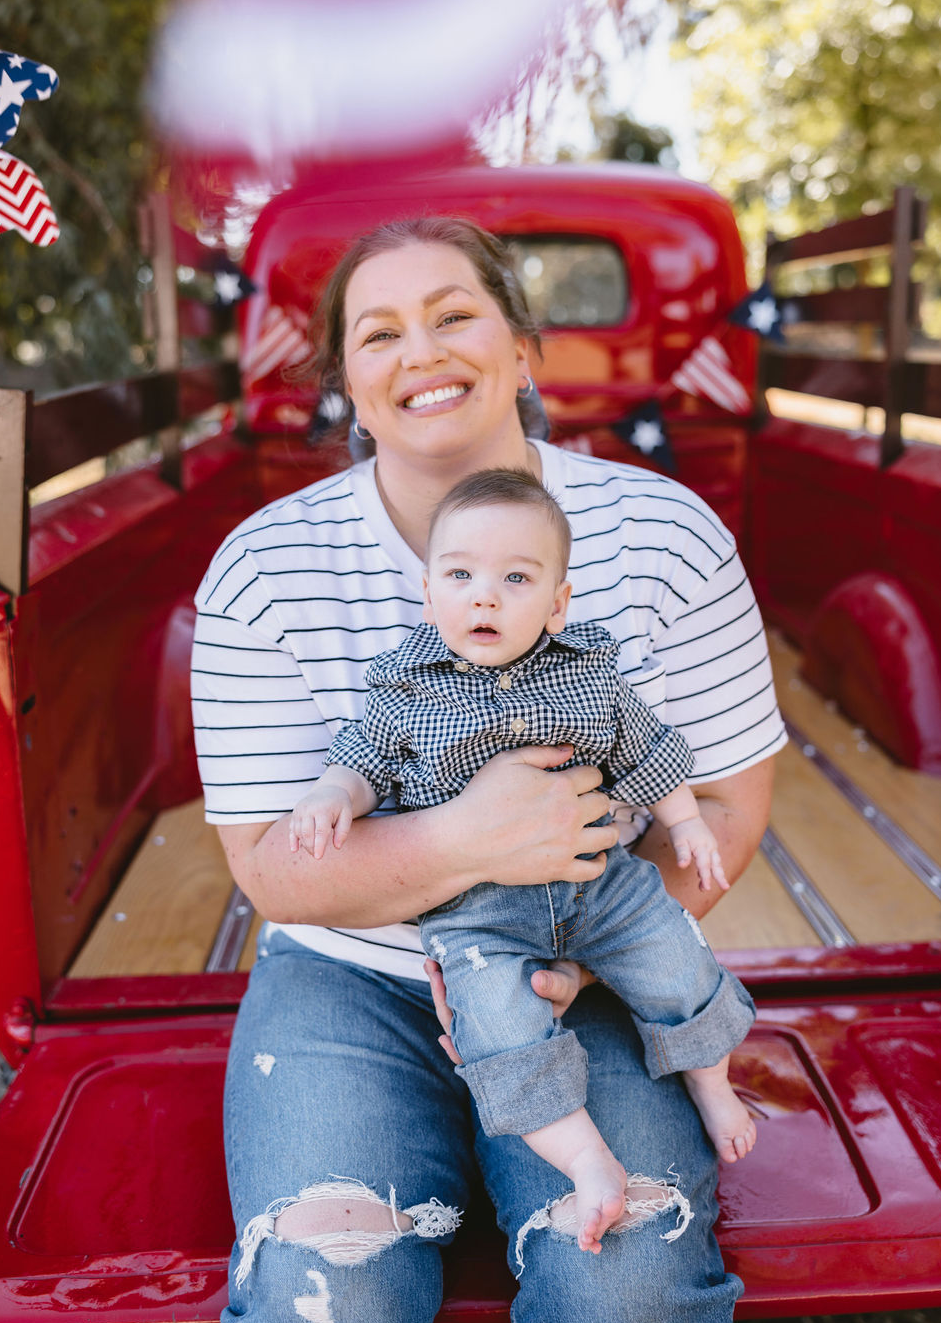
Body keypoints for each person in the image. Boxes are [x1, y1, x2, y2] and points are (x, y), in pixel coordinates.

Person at [191, 215, 787, 1323]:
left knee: (636, 1293)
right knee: (326, 1315)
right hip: (346, 974)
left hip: (591, 962)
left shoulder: (665, 534)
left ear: (522, 350)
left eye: (455, 315)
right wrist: (468, 839)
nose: (422, 350)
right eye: (380, 332)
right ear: (349, 389)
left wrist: (586, 952)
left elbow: (722, 802)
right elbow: (270, 863)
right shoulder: (265, 567)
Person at [288, 466, 757, 1259]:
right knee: (498, 1026)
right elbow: (363, 758)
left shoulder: (587, 673)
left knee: (673, 953)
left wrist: (685, 823)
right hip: (477, 913)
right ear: (430, 592)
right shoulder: (408, 689)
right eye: (461, 575)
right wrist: (333, 795)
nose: (485, 597)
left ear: (558, 602)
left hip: (599, 884)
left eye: (516, 577)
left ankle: (711, 1080)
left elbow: (646, 748)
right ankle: (587, 1158)